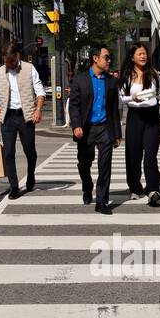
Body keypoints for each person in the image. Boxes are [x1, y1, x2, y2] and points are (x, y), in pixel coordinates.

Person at [68, 44, 122, 215]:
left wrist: (117, 133)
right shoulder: (80, 79)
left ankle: (101, 201)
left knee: (105, 165)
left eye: (109, 57)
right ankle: (87, 186)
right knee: (84, 163)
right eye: (106, 57)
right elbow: (74, 106)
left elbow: (114, 110)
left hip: (105, 129)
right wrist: (76, 125)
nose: (109, 60)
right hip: (86, 129)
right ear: (95, 58)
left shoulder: (112, 82)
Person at [0, 40, 45, 199]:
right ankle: (14, 187)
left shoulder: (29, 68)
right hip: (7, 117)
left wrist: (38, 110)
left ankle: (31, 175)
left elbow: (40, 91)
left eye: (12, 61)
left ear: (17, 56)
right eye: (6, 62)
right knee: (8, 153)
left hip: (26, 116)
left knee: (30, 151)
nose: (9, 65)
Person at [120, 43, 160, 206]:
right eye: (140, 54)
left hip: (152, 116)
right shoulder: (126, 75)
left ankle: (153, 189)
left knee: (150, 155)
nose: (143, 56)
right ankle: (135, 187)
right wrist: (132, 98)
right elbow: (121, 97)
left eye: (145, 54)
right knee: (133, 155)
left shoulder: (153, 74)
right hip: (134, 116)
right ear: (132, 56)